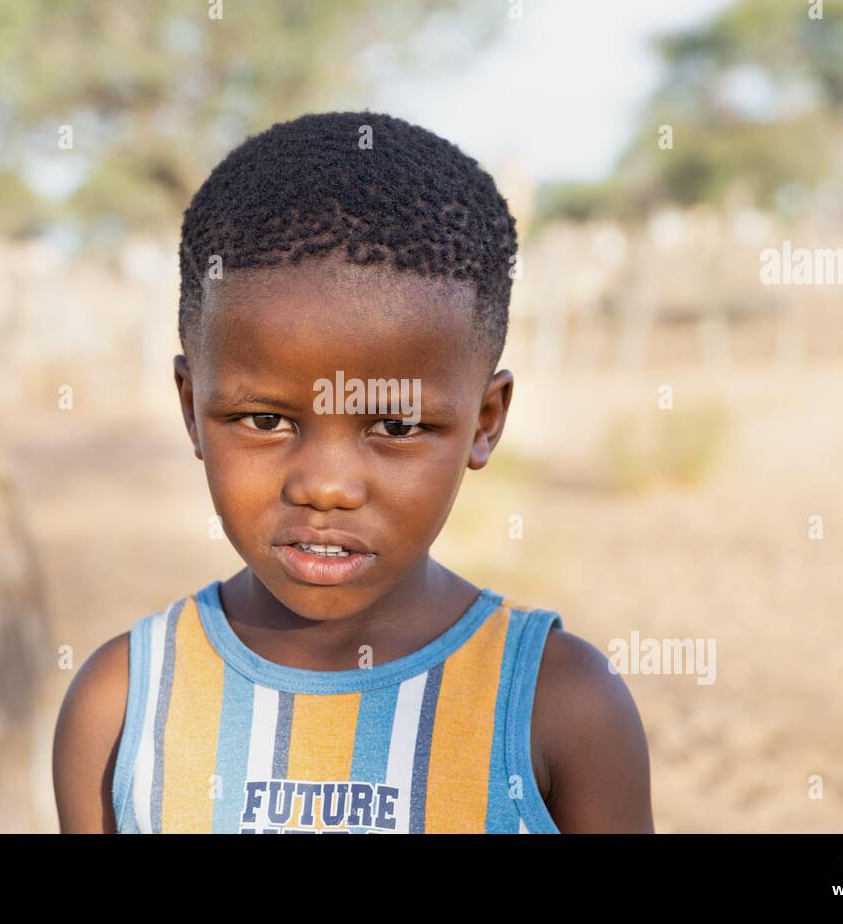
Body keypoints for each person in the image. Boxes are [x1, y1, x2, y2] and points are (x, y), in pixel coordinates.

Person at [53, 110, 653, 833]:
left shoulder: (557, 706)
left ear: (485, 420)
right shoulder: (125, 705)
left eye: (396, 426)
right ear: (190, 405)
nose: (326, 486)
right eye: (267, 420)